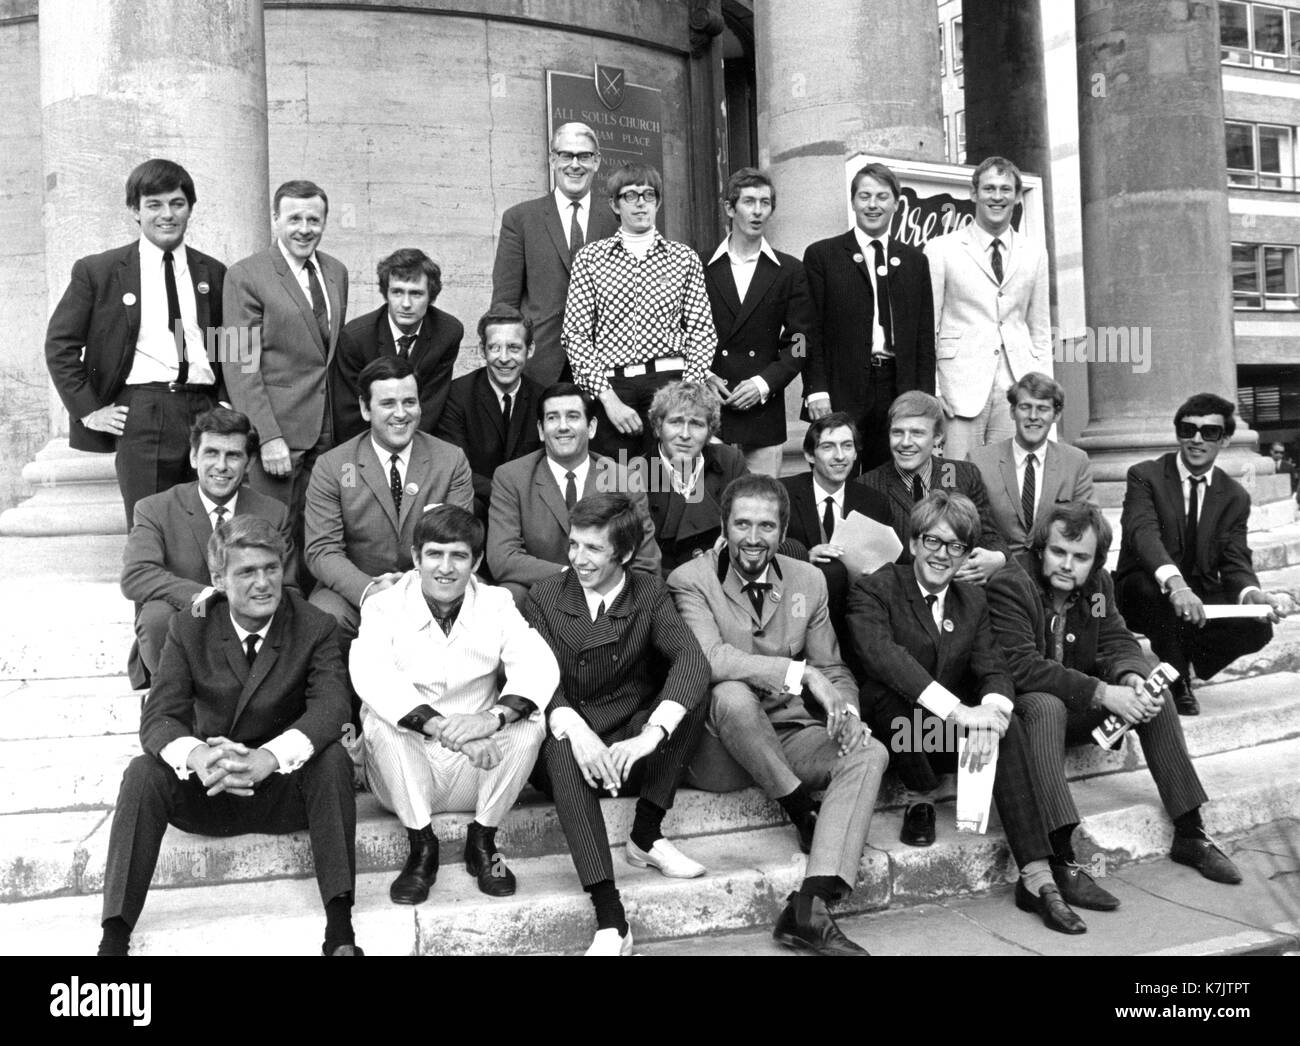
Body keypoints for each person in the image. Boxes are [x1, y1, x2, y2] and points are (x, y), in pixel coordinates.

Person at [98, 516, 360, 956]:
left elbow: (331, 707)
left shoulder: (314, 624)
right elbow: (159, 717)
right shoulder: (189, 626)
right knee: (142, 772)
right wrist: (199, 755)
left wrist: (270, 758)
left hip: (284, 792)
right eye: (246, 572)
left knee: (332, 760)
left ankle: (340, 930)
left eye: (271, 568)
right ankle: (114, 937)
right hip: (212, 791)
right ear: (218, 579)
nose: (263, 583)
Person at [668, 475, 889, 956]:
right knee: (730, 693)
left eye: (766, 526)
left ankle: (809, 905)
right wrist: (800, 674)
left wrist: (847, 711)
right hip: (718, 747)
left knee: (869, 751)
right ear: (724, 527)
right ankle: (800, 810)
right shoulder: (691, 581)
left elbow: (831, 665)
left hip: (789, 732)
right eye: (742, 524)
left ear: (783, 528)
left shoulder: (807, 579)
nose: (753, 538)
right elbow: (710, 659)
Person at [987, 501, 1246, 909]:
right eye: (1058, 552)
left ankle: (1190, 831)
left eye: (1081, 557)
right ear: (1041, 548)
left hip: (1080, 706)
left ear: (1096, 560)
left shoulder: (1097, 586)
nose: (1068, 565)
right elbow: (1022, 666)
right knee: (1044, 704)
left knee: (1153, 697)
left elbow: (1117, 640)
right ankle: (1062, 857)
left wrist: (1132, 679)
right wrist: (1106, 693)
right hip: (1027, 717)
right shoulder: (1012, 583)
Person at [848, 491, 1084, 934]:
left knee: (1008, 723)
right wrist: (960, 713)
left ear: (966, 554)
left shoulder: (972, 601)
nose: (942, 555)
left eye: (955, 546)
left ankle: (1037, 878)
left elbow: (994, 667)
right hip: (900, 735)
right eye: (933, 542)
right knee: (883, 692)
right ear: (915, 542)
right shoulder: (877, 587)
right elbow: (883, 656)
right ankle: (921, 794)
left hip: (942, 737)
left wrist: (992, 711)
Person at [522, 493, 709, 955]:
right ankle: (611, 917)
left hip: (628, 745)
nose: (578, 559)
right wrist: (576, 729)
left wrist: (651, 736)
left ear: (623, 554)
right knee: (558, 742)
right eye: (573, 545)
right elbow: (533, 680)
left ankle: (646, 832)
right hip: (567, 752)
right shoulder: (543, 597)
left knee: (691, 695)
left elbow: (692, 658)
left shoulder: (647, 591)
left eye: (593, 550)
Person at [349, 506, 559, 904]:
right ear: (415, 558)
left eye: (459, 556)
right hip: (407, 772)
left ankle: (483, 842)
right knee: (378, 720)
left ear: (476, 562)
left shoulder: (496, 602)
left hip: (476, 772)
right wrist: (453, 732)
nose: (445, 568)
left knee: (531, 721)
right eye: (434, 554)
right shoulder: (383, 606)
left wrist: (491, 718)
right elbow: (371, 677)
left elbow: (537, 664)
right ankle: (421, 849)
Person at [45, 158, 225, 525]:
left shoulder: (215, 271)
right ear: (135, 211)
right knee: (151, 528)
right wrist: (89, 409)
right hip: (144, 412)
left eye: (177, 203)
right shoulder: (100, 271)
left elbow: (234, 341)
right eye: (154, 205)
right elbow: (59, 344)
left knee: (212, 526)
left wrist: (228, 402)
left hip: (206, 410)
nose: (167, 215)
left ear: (190, 208)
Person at [1115, 393, 1292, 715]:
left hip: (1200, 595)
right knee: (1148, 587)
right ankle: (1178, 679)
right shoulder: (1145, 476)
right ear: (1178, 433)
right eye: (1188, 430)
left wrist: (1250, 593)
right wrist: (1176, 584)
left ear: (1223, 440)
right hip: (1145, 592)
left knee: (1258, 625)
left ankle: (1182, 657)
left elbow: (1235, 559)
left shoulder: (1234, 496)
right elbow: (1143, 534)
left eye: (1209, 432)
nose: (1196, 440)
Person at [304, 355, 474, 662]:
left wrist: (412, 591)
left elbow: (457, 544)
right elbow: (322, 550)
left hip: (431, 588)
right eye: (388, 404)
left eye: (409, 402)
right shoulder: (334, 466)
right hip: (357, 591)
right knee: (325, 615)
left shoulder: (451, 461)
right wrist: (370, 591)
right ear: (365, 408)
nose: (400, 414)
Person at [121, 407, 295, 689]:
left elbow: (288, 586)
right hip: (186, 629)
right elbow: (136, 576)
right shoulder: (155, 508)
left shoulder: (272, 512)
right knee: (154, 615)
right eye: (211, 453)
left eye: (233, 456)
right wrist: (206, 595)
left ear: (249, 463)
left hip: (250, 629)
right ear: (193, 457)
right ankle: (172, 697)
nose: (221, 466)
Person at [223, 179, 348, 551]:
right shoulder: (244, 274)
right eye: (295, 219)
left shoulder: (336, 272)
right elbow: (237, 362)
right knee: (268, 537)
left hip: (327, 432)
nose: (305, 229)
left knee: (320, 534)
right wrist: (267, 436)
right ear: (275, 220)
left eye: (314, 220)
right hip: (277, 436)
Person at [562, 162, 717, 461]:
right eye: (630, 196)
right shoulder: (591, 258)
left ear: (658, 201)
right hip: (611, 386)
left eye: (648, 195)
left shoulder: (682, 258)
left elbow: (702, 331)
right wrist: (609, 400)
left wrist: (686, 395)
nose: (641, 203)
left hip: (668, 382)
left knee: (667, 479)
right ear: (615, 204)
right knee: (616, 480)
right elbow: (576, 335)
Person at [802, 162, 935, 472]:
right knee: (838, 476)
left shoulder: (915, 261)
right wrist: (815, 389)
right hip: (840, 389)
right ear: (853, 202)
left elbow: (924, 339)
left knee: (897, 479)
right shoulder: (823, 255)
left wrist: (924, 401)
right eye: (864, 196)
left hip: (899, 388)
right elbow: (808, 332)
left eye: (882, 196)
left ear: (896, 204)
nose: (873, 205)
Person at [924, 156, 1052, 460]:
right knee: (955, 478)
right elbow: (927, 327)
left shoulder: (1033, 253)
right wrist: (935, 389)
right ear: (973, 194)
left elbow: (1040, 328)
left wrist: (1042, 389)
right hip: (959, 386)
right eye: (989, 188)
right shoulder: (942, 249)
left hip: (1017, 385)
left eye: (1006, 189)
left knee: (1009, 482)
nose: (997, 197)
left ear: (1017, 197)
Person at [486, 382, 660, 603]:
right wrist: (574, 578)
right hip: (542, 596)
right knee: (509, 594)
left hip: (610, 599)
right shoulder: (512, 478)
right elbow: (503, 557)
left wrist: (610, 593)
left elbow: (645, 560)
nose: (563, 426)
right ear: (541, 429)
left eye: (573, 416)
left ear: (591, 427)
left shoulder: (623, 479)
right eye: (552, 418)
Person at [491, 122, 619, 387]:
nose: (575, 164)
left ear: (596, 162)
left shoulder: (616, 221)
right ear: (552, 159)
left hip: (607, 368)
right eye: (566, 155)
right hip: (540, 365)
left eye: (584, 156)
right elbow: (505, 303)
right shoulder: (520, 219)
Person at [702, 168, 812, 475]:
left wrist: (764, 384)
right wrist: (704, 375)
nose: (758, 211)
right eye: (749, 201)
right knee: (708, 514)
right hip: (711, 408)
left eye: (765, 203)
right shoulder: (699, 264)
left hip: (763, 412)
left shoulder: (790, 270)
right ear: (729, 208)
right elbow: (681, 332)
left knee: (762, 508)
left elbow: (800, 343)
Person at [858, 390, 1009, 584]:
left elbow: (988, 535)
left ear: (937, 437)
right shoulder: (868, 485)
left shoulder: (962, 474)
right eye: (897, 432)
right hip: (898, 593)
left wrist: (998, 556)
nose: (905, 443)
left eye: (917, 433)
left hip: (958, 586)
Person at [780, 412, 893, 663]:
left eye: (847, 446)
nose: (840, 456)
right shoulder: (782, 493)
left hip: (857, 614)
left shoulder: (874, 502)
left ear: (855, 453)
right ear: (810, 455)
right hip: (795, 605)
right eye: (828, 447)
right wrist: (805, 556)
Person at [331, 248, 462, 443]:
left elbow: (431, 405)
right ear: (386, 294)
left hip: (418, 439)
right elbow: (349, 416)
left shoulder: (447, 332)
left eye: (416, 294)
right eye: (397, 292)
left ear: (431, 297)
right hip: (368, 441)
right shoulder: (356, 338)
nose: (406, 304)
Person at [435, 305, 544, 522]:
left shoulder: (543, 399)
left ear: (529, 350)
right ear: (481, 351)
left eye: (514, 347)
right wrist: (505, 495)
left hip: (528, 505)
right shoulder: (457, 395)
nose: (504, 358)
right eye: (495, 348)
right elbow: (457, 468)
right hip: (478, 503)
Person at [967, 372, 1095, 554]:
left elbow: (1090, 524)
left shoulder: (1076, 462)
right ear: (1012, 412)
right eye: (1025, 407)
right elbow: (965, 525)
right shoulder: (979, 461)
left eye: (1042, 409)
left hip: (1053, 572)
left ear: (1056, 415)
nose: (1033, 416)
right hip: (997, 572)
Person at [640, 380, 748, 574]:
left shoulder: (729, 461)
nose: (685, 434)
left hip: (721, 573)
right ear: (658, 427)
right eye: (676, 422)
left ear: (709, 433)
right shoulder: (635, 473)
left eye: (697, 424)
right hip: (662, 582)